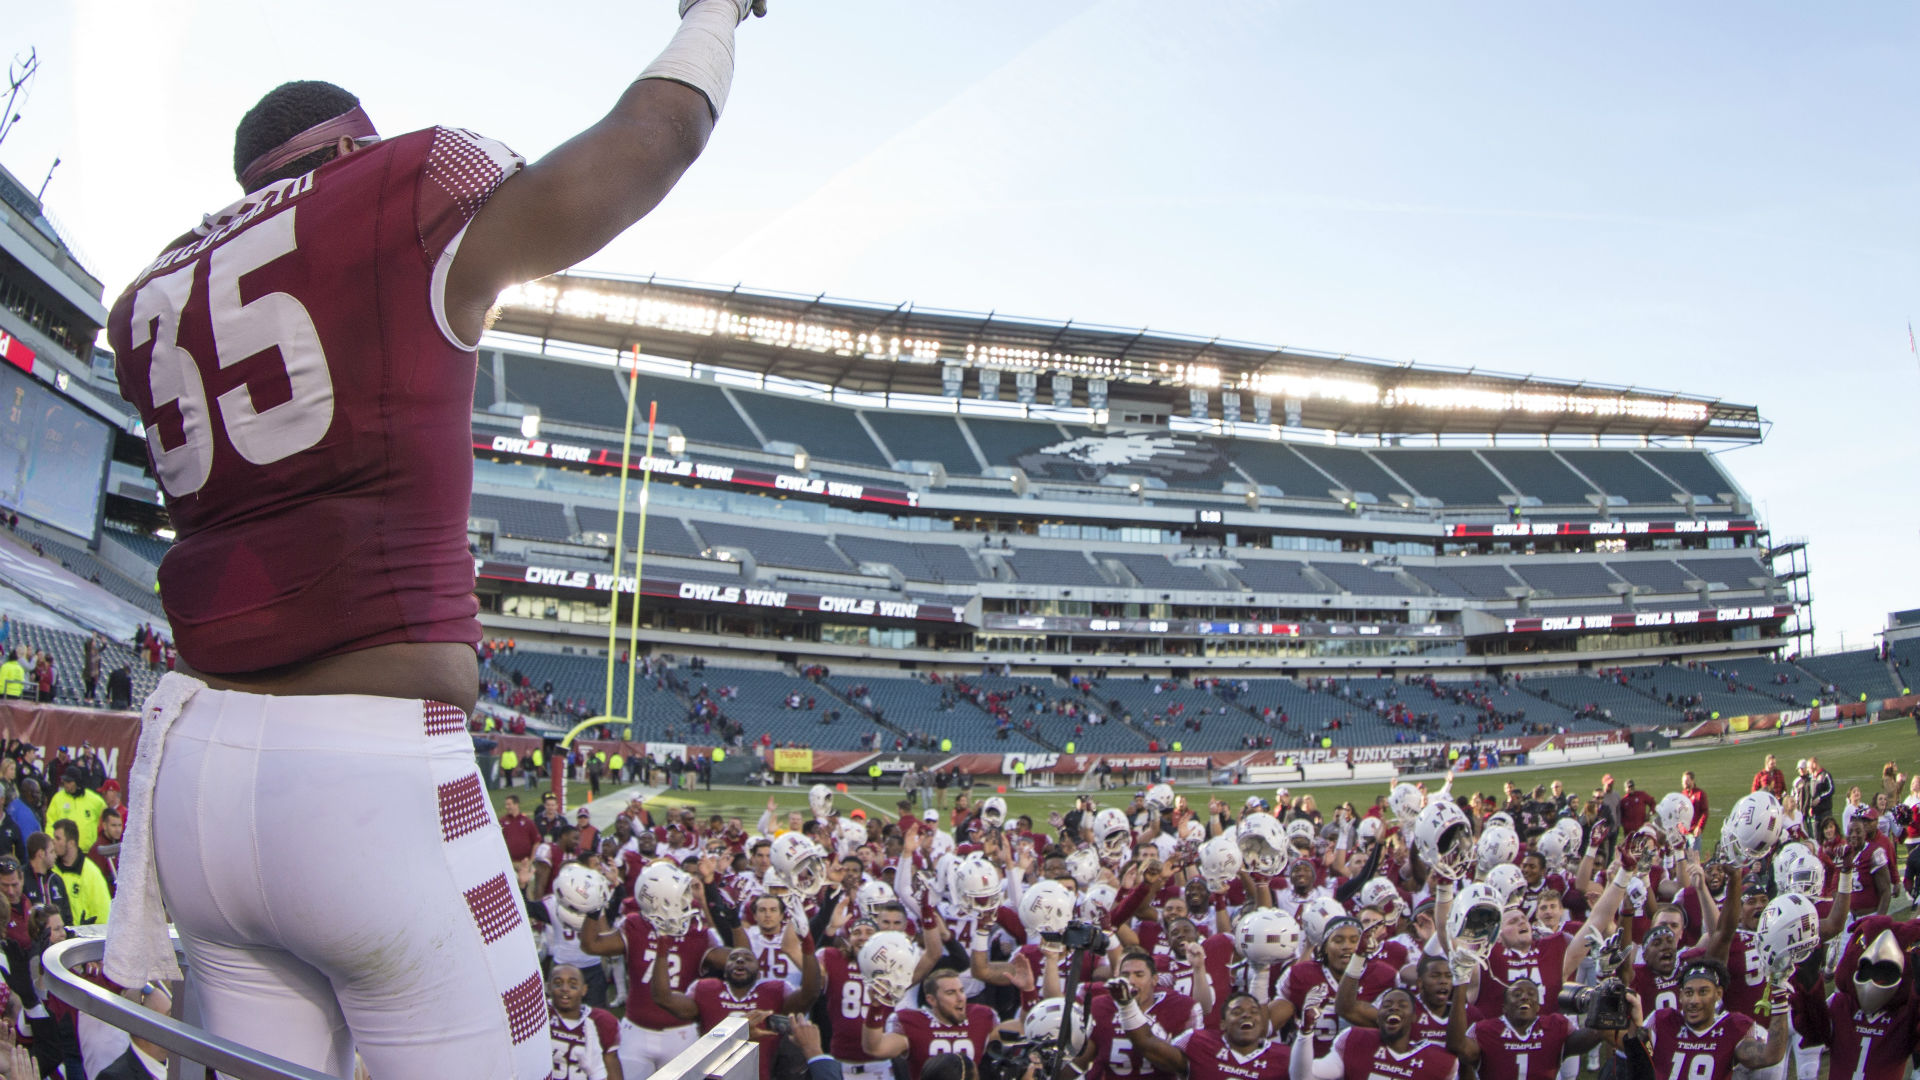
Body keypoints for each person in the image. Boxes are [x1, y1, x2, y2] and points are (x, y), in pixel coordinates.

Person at [100, 1, 767, 1076]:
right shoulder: (398, 186)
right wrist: (715, 16)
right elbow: (654, 141)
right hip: (367, 781)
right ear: (352, 146)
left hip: (196, 773)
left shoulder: (147, 294)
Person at [649, 944, 819, 1080]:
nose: (740, 960)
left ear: (758, 972)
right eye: (733, 958)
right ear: (724, 969)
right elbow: (663, 998)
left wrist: (807, 944)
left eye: (747, 958)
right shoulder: (706, 990)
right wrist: (662, 949)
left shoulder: (774, 991)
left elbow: (810, 994)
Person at [1640, 958, 1788, 1080]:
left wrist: (1779, 996)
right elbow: (1632, 1051)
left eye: (1703, 992)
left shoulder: (1732, 1027)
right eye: (1689, 993)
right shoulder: (1663, 1020)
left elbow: (1770, 1055)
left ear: (1718, 994)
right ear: (1681, 996)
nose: (1694, 1001)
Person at [863, 970, 1001, 1080]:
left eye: (961, 990)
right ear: (932, 1000)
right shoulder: (913, 1021)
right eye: (951, 993)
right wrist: (876, 1008)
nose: (960, 998)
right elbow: (875, 1048)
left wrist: (1019, 993)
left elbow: (1013, 1033)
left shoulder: (981, 1017)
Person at [548, 964, 624, 1080]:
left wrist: (595, 1071)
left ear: (584, 990)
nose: (565, 989)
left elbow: (613, 1073)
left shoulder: (600, 1022)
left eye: (573, 985)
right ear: (549, 987)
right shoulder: (539, 1013)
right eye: (558, 984)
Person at [94, 983, 173, 1080]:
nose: (176, 1024)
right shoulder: (115, 1077)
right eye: (169, 1017)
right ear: (143, 1029)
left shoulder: (183, 1063)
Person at [49, 819, 112, 925]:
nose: (53, 842)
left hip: (82, 933)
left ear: (71, 843)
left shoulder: (92, 873)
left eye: (58, 838)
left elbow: (103, 913)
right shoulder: (51, 870)